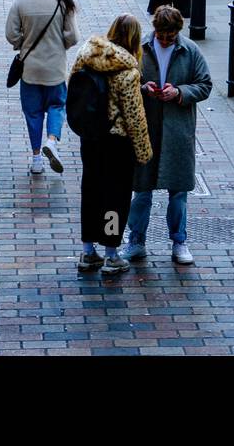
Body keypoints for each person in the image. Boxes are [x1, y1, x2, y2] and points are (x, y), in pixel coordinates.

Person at [125, 6, 212, 266]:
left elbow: (205, 84)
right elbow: (125, 79)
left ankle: (179, 241)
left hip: (178, 130)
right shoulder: (140, 48)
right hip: (146, 128)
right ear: (154, 29)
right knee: (141, 190)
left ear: (177, 33)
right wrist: (143, 87)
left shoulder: (190, 50)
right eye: (161, 35)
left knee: (178, 192)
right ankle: (136, 241)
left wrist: (180, 92)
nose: (164, 40)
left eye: (170, 37)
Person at [70, 14, 153, 275]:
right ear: (134, 39)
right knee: (114, 198)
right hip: (117, 143)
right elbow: (134, 116)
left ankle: (87, 252)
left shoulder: (87, 54)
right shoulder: (127, 70)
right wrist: (144, 152)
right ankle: (111, 254)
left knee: (91, 191)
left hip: (90, 137)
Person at [5, 0, 79, 175]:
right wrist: (59, 44)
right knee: (57, 105)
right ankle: (52, 140)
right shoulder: (63, 2)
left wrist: (22, 44)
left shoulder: (21, 1)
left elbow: (11, 34)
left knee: (33, 113)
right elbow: (73, 36)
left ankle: (36, 158)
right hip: (55, 68)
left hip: (30, 68)